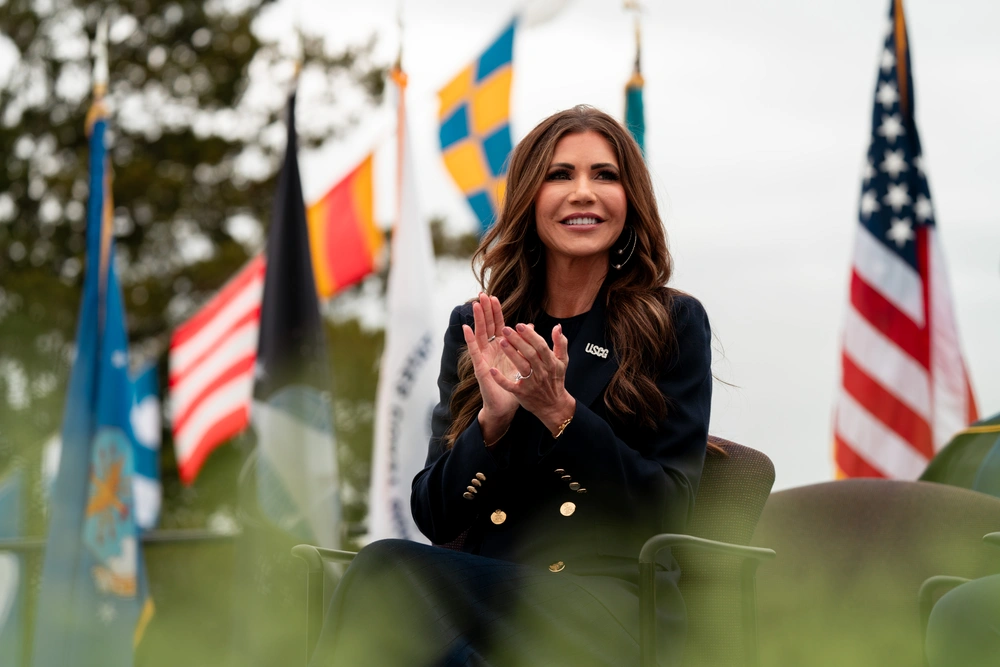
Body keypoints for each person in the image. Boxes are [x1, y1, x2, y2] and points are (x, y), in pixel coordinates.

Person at [309, 105, 713, 667]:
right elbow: (434, 515)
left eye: (604, 175)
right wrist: (490, 426)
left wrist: (562, 416)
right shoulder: (478, 324)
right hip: (486, 596)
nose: (583, 193)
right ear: (529, 196)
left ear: (630, 198)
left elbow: (670, 511)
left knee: (386, 569)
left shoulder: (671, 321)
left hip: (607, 608)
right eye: (559, 175)